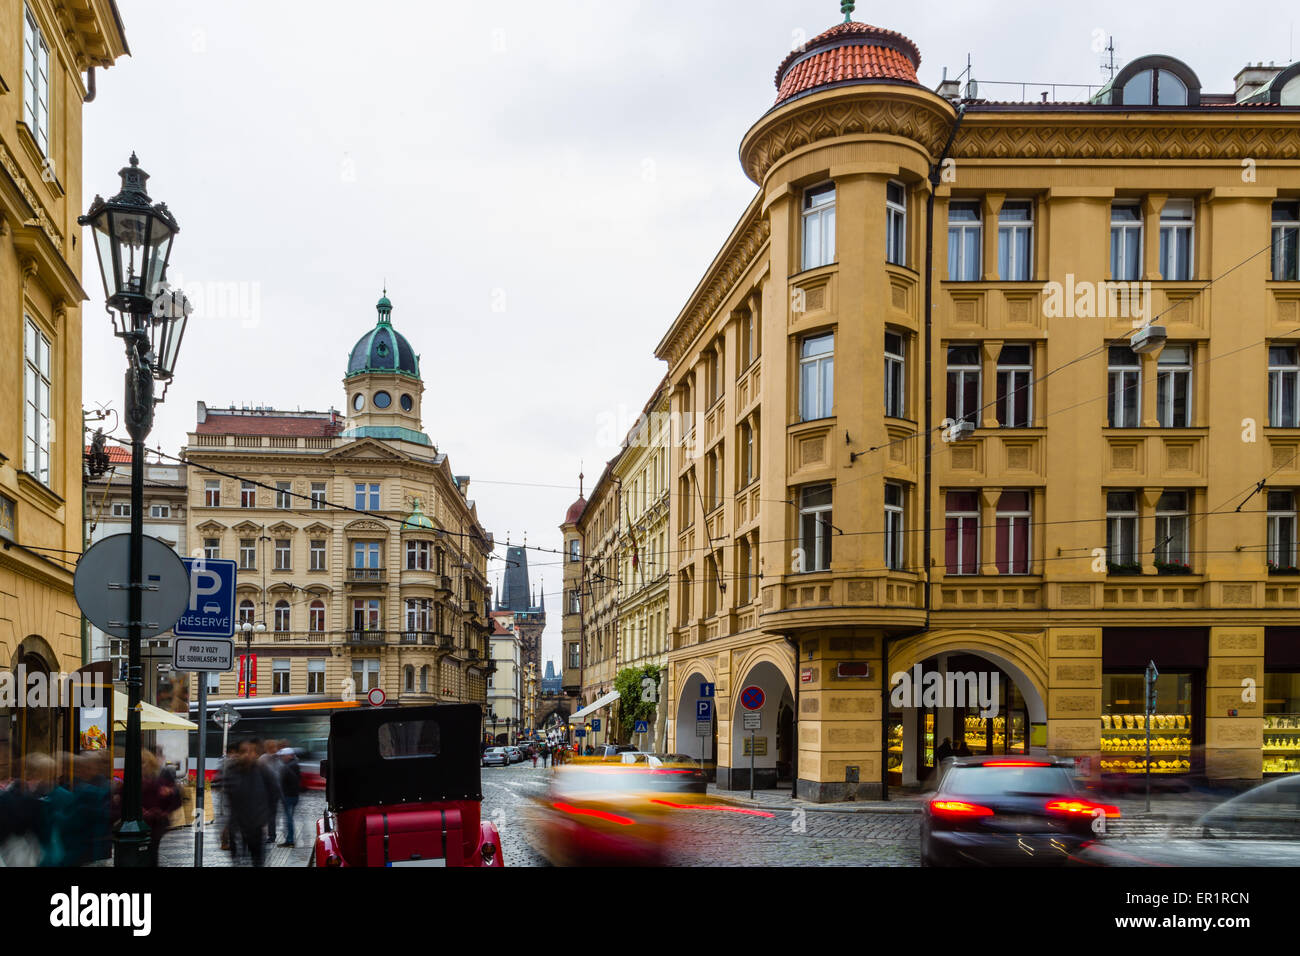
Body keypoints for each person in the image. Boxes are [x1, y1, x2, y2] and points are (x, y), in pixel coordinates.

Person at [224, 740, 278, 866]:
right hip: (237, 825)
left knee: (257, 859)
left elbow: (274, 794)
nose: (247, 755)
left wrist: (267, 818)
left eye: (250, 752)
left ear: (255, 753)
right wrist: (225, 827)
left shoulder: (263, 770)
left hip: (257, 825)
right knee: (238, 861)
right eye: (243, 752)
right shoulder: (232, 771)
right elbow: (227, 800)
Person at [254, 738, 282, 845]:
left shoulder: (262, 759)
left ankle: (265, 834)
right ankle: (271, 835)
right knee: (271, 815)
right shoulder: (278, 758)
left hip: (266, 791)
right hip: (275, 791)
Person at [277, 747, 301, 848]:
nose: (282, 757)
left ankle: (290, 840)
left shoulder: (288, 766)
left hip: (288, 796)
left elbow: (282, 781)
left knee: (288, 819)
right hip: (294, 795)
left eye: (283, 756)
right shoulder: (295, 764)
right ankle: (289, 839)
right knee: (289, 818)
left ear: (289, 755)